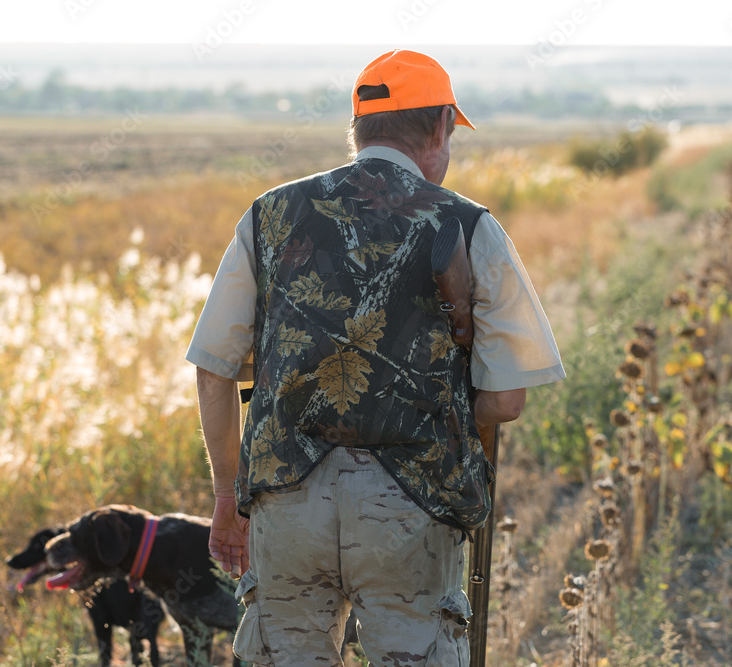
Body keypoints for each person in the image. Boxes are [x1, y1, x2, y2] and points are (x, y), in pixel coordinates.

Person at [186, 49, 565, 666]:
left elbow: (214, 368)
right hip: (411, 510)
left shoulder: (267, 215)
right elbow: (505, 401)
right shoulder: (470, 225)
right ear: (441, 126)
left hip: (286, 504)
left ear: (357, 128)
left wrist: (227, 496)